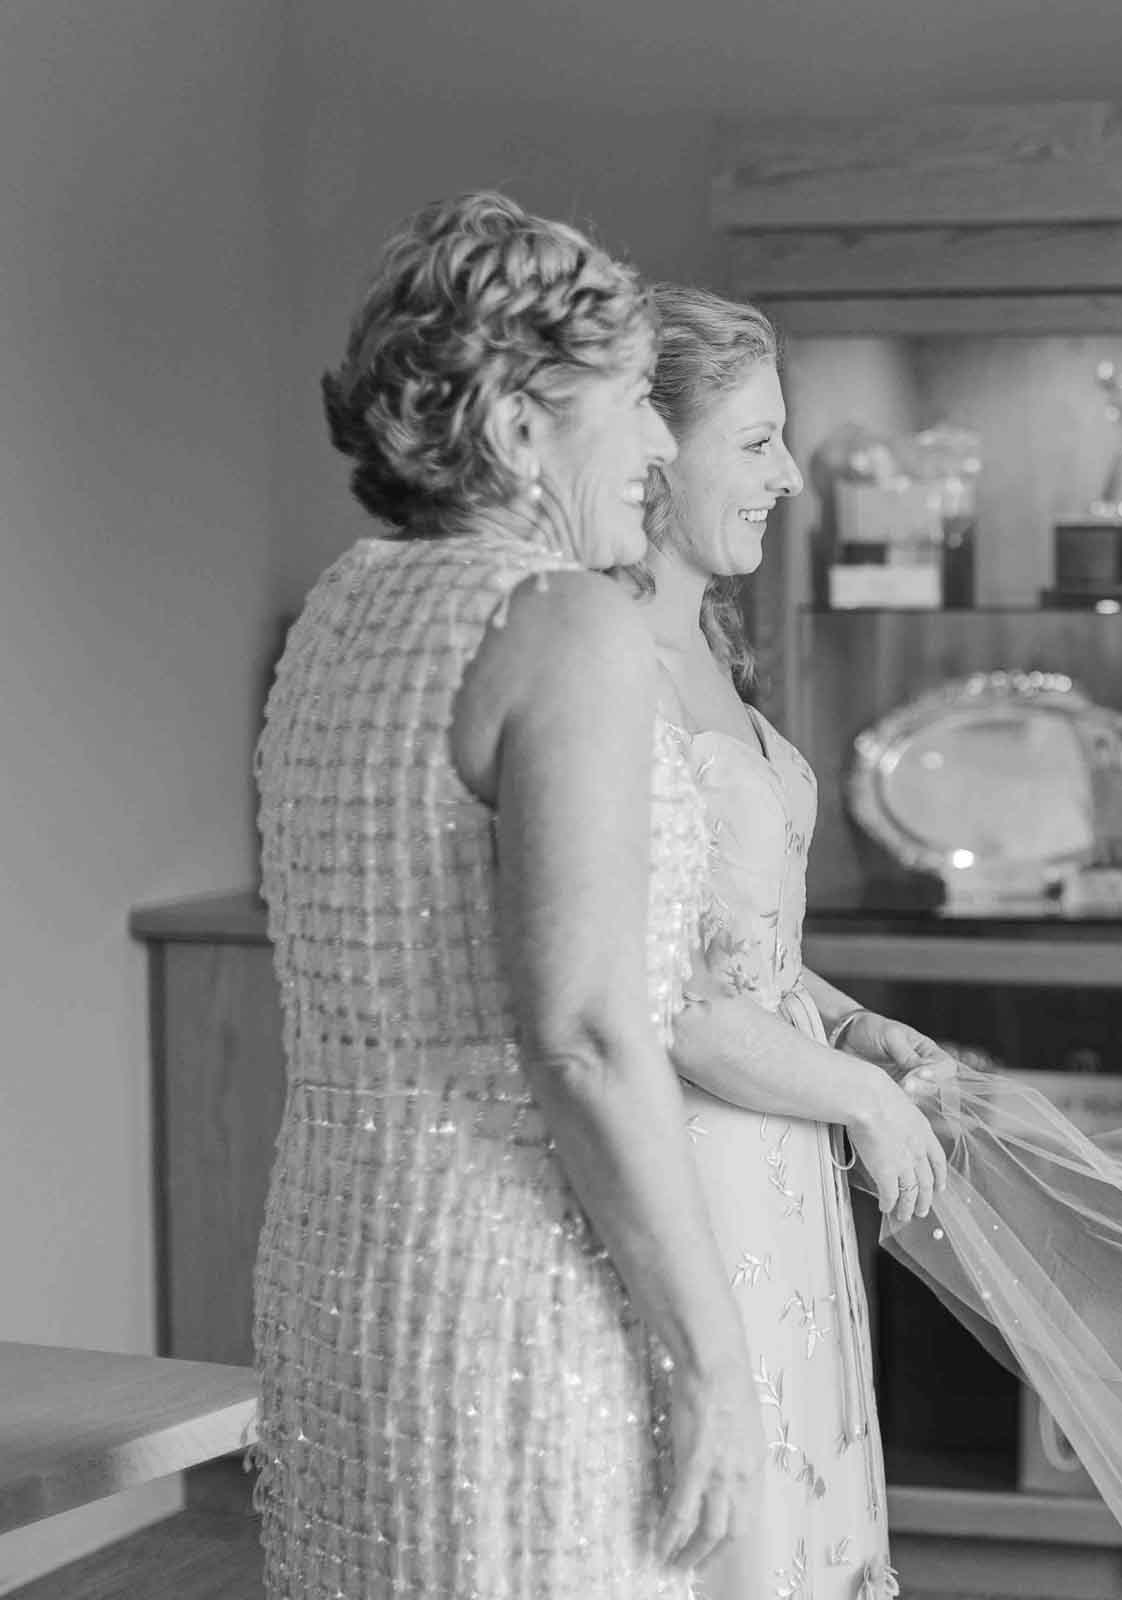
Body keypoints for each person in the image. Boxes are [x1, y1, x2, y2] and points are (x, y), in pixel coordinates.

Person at [251, 194, 759, 1599]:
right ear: (523, 429)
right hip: (519, 1294)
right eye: (632, 406)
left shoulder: (341, 609)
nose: (661, 445)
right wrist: (713, 1358)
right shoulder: (565, 624)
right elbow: (585, 1034)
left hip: (338, 1257)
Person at [624, 284, 951, 1600]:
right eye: (756, 441)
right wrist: (856, 1090)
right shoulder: (616, 668)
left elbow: (732, 944)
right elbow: (665, 998)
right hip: (698, 1162)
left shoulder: (707, 643)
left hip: (781, 1156)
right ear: (654, 447)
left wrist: (850, 1022)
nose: (793, 474)